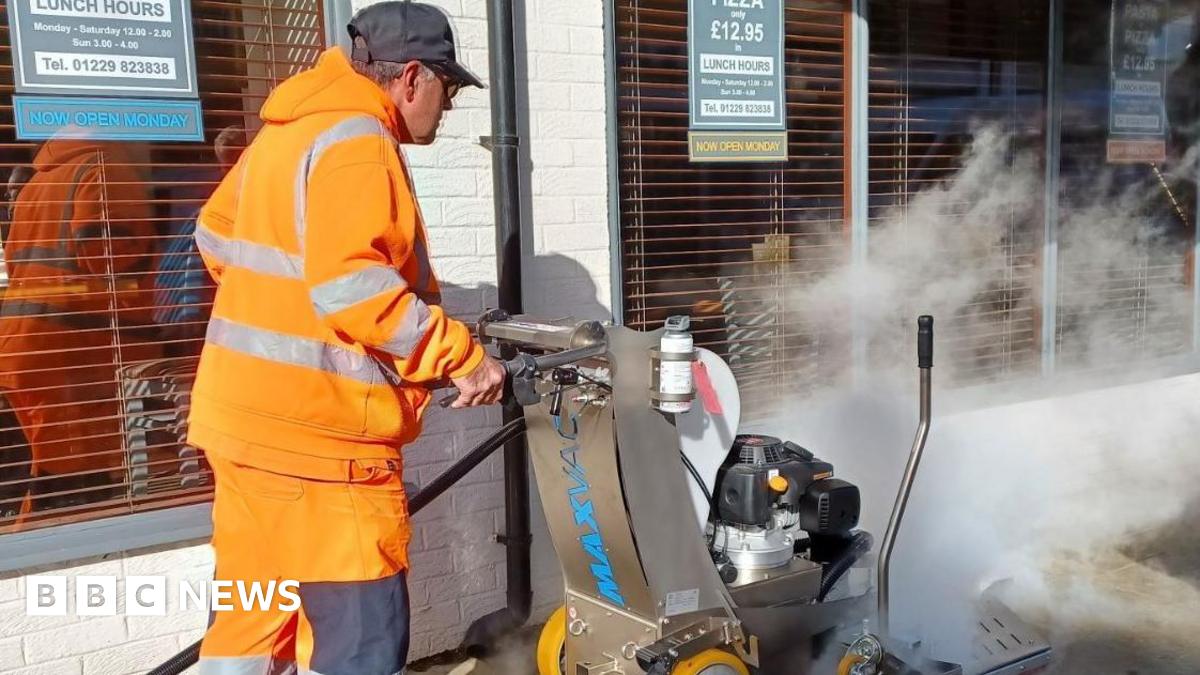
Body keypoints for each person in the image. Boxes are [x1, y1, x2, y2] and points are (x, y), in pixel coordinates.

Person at [188, 2, 506, 673]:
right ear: (411, 78)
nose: (446, 110)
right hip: (325, 457)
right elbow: (352, 286)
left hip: (244, 435)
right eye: (448, 92)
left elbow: (215, 235)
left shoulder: (289, 128)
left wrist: (285, 318)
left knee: (246, 633)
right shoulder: (359, 139)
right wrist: (462, 358)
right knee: (357, 647)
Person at [0, 134, 159, 527]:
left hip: (28, 347)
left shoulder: (38, 184)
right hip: (78, 352)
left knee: (59, 470)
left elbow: (14, 262)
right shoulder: (107, 168)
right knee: (78, 482)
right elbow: (105, 253)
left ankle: (34, 547)